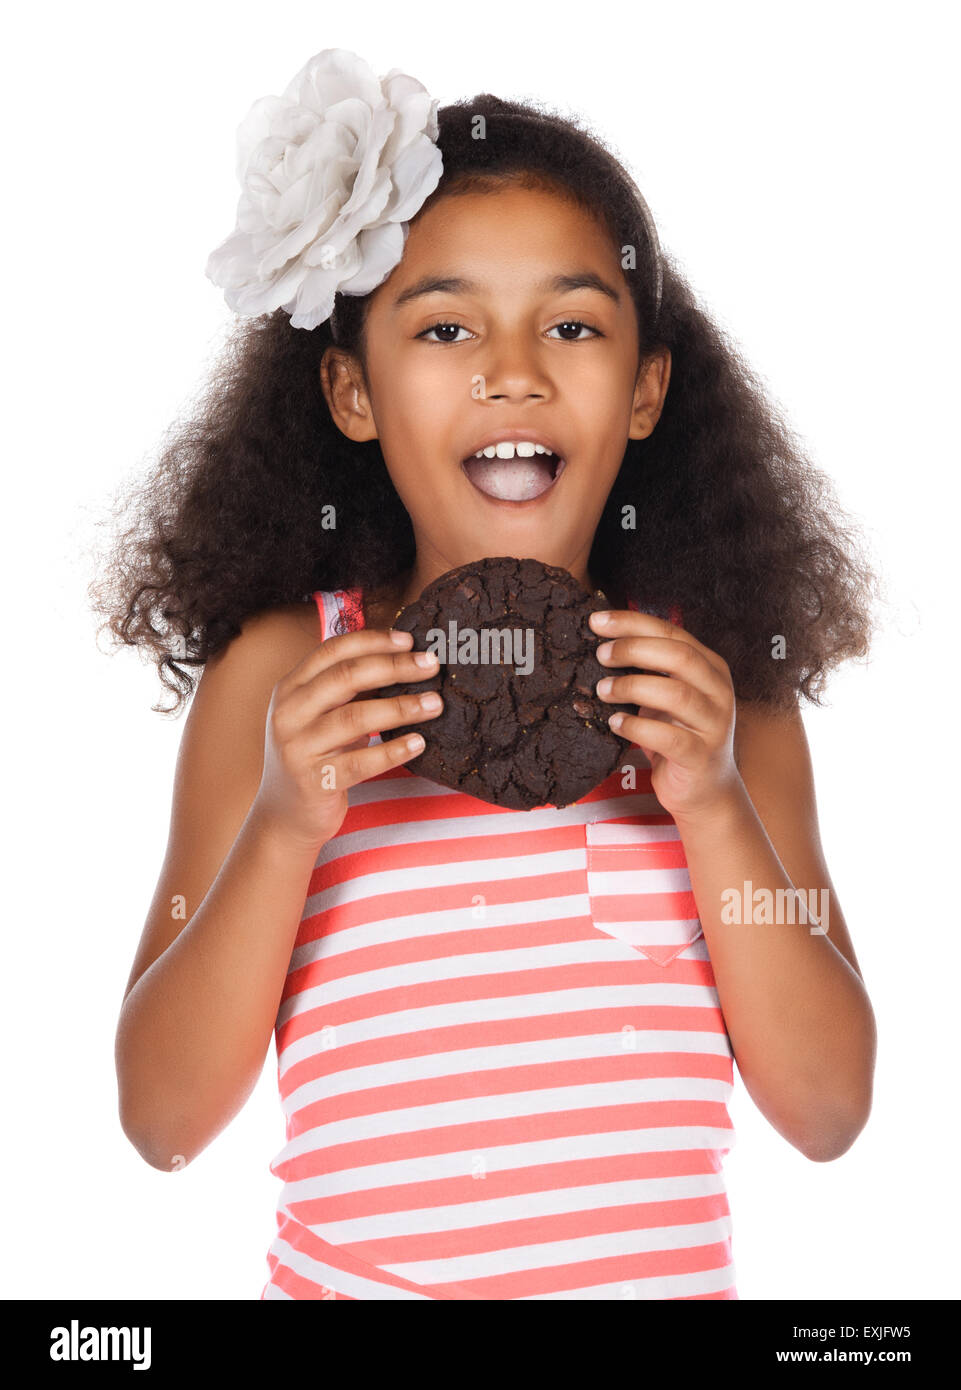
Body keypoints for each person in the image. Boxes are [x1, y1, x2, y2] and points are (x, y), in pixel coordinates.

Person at [95, 48, 880, 1300]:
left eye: (571, 325)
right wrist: (286, 821)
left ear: (645, 390)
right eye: (446, 325)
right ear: (351, 388)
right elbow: (163, 1120)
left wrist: (717, 806)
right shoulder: (282, 676)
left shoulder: (714, 698)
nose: (511, 370)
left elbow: (830, 1107)